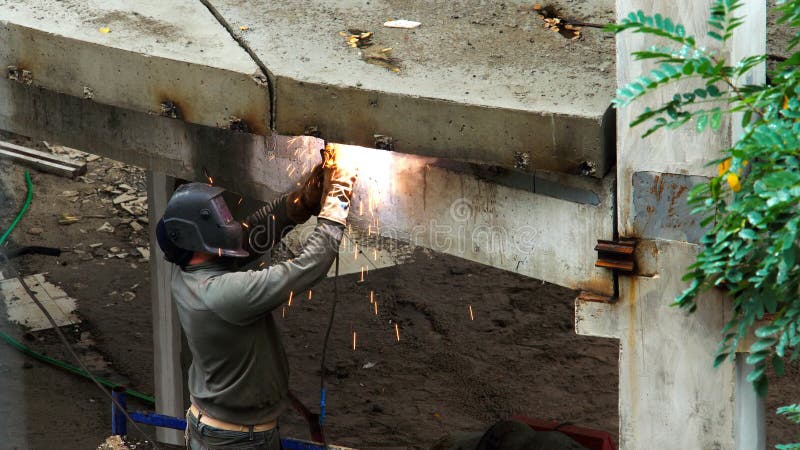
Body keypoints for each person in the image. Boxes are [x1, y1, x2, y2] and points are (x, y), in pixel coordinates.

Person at [155, 145, 355, 450]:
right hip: (238, 442)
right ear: (198, 238)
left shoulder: (188, 270)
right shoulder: (222, 295)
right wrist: (337, 196)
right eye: (220, 219)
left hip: (224, 430)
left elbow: (248, 238)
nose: (229, 222)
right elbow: (309, 266)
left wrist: (299, 204)